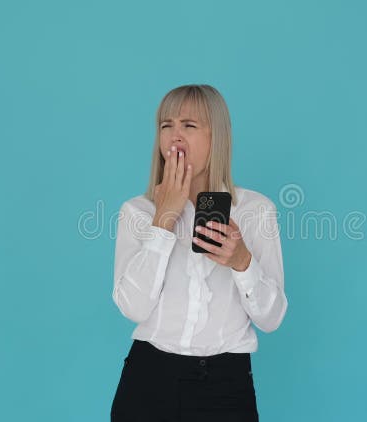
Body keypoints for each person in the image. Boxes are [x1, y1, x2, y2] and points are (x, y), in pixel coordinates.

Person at [110, 84, 288, 421]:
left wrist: (242, 262)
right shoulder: (137, 212)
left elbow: (272, 318)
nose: (175, 136)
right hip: (149, 381)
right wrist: (163, 221)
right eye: (166, 125)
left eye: (189, 125)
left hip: (226, 386)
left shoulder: (255, 211)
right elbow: (133, 308)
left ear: (216, 136)